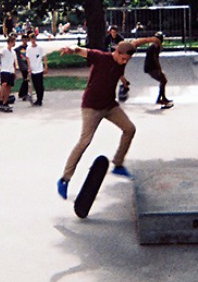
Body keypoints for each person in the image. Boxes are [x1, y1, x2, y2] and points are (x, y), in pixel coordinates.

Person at [56, 37, 158, 198]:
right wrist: (70, 48)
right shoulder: (101, 58)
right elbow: (81, 50)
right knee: (85, 141)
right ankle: (64, 179)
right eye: (123, 58)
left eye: (127, 60)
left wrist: (152, 40)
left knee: (129, 129)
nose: (124, 62)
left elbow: (135, 43)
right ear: (116, 52)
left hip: (110, 106)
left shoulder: (123, 56)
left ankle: (117, 164)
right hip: (91, 107)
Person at [143, 32, 174, 108]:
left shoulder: (155, 46)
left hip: (150, 67)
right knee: (163, 80)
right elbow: (155, 59)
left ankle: (161, 98)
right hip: (150, 68)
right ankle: (161, 99)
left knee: (163, 80)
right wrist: (159, 69)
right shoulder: (155, 47)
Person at [26, 31, 48, 106]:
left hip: (39, 68)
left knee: (40, 85)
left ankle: (40, 99)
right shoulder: (28, 49)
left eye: (34, 38)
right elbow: (28, 58)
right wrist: (29, 68)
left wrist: (46, 66)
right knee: (35, 84)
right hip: (33, 69)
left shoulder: (40, 48)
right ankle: (37, 99)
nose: (33, 40)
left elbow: (44, 57)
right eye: (31, 39)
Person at [0, 35, 18, 112]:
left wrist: (15, 71)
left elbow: (14, 62)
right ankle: (1, 97)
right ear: (9, 42)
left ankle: (5, 102)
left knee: (9, 87)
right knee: (4, 84)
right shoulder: (4, 50)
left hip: (11, 70)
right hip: (4, 70)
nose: (14, 43)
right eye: (13, 42)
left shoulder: (13, 52)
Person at [16, 33, 30, 101]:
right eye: (23, 39)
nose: (25, 41)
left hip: (28, 66)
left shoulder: (29, 48)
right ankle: (23, 93)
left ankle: (23, 93)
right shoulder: (19, 49)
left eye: (26, 39)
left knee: (27, 80)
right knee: (26, 79)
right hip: (23, 66)